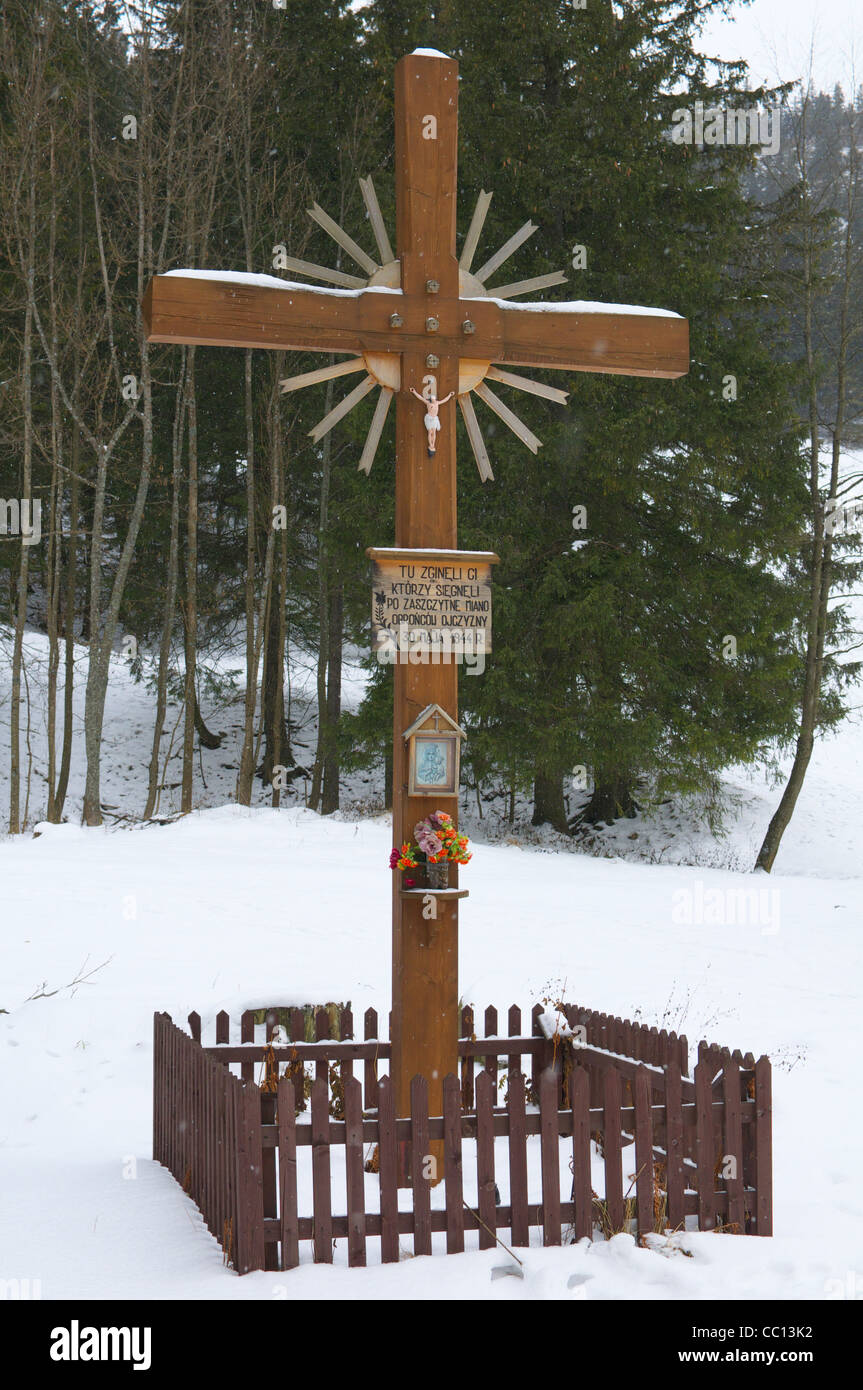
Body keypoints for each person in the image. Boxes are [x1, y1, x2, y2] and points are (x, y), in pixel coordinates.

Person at [410, 385, 455, 456]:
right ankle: (431, 444)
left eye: (434, 399)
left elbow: (445, 400)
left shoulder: (437, 403)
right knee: (430, 431)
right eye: (432, 399)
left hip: (434, 419)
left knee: (434, 431)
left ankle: (432, 444)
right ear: (431, 399)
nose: (433, 400)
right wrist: (414, 392)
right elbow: (420, 398)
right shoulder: (428, 403)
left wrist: (450, 395)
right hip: (429, 418)